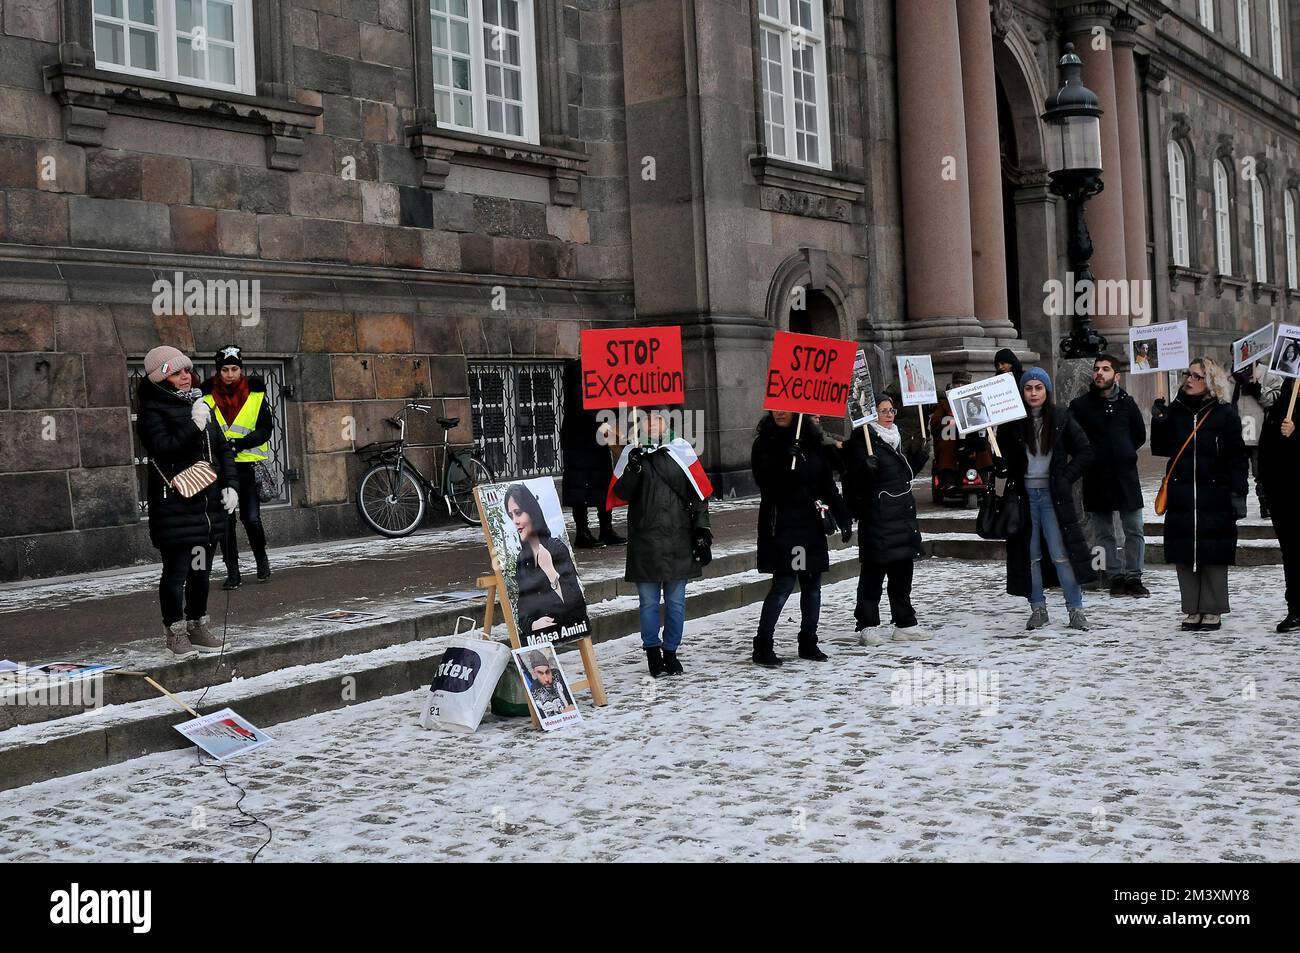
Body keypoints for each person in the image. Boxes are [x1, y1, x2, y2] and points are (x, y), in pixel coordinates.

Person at [136, 345, 240, 658]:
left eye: (187, 371)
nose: (186, 377)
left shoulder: (199, 402)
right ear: (162, 377)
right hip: (176, 505)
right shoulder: (152, 409)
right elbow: (164, 448)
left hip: (206, 505)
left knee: (201, 571)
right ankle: (175, 632)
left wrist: (231, 485)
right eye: (178, 373)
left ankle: (197, 627)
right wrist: (192, 425)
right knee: (177, 572)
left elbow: (222, 448)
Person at [610, 409, 712, 677]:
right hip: (646, 541)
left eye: (658, 419)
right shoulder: (633, 454)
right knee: (649, 603)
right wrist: (632, 467)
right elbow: (620, 494)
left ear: (667, 423)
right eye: (647, 420)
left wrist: (702, 531)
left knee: (677, 603)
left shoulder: (682, 450)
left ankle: (671, 651)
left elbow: (699, 494)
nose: (653, 424)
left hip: (679, 539)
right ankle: (653, 651)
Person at [1151, 358, 1248, 631]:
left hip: (1215, 494)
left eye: (1197, 376)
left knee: (1214, 552)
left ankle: (1213, 608)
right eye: (1188, 375)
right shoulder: (1177, 410)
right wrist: (1158, 419)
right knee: (1184, 552)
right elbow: (1162, 447)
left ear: (1211, 382)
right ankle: (1192, 608)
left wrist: (1238, 493)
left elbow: (1237, 457)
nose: (1189, 380)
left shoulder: (1225, 413)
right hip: (1182, 494)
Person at [996, 368, 1096, 631]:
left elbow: (1086, 451)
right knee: (1031, 556)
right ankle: (1037, 608)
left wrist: (1065, 477)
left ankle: (1075, 609)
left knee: (1061, 554)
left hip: (1054, 497)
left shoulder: (1061, 417)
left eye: (1038, 388)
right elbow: (1003, 458)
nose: (1033, 393)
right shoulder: (1013, 422)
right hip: (1025, 498)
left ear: (1046, 391)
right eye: (1028, 388)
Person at [750, 411, 852, 666]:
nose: (780, 412)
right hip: (783, 526)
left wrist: (843, 516)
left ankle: (808, 641)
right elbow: (767, 484)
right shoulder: (765, 442)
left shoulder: (812, 442)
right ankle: (763, 645)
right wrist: (786, 461)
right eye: (776, 408)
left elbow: (827, 484)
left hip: (810, 525)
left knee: (812, 586)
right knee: (784, 584)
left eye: (786, 408)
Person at [843, 393, 930, 645]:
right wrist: (863, 468)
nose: (889, 415)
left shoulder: (894, 440)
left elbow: (901, 475)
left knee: (902, 574)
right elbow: (851, 480)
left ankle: (905, 622)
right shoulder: (864, 441)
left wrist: (919, 457)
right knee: (873, 576)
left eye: (891, 410)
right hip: (878, 520)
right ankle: (868, 625)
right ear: (873, 415)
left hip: (901, 518)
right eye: (883, 410)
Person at [1068, 354, 1149, 597]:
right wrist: (1091, 456)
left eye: (1105, 369)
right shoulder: (1081, 406)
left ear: (1117, 375)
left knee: (1134, 528)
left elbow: (1138, 435)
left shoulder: (1127, 402)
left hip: (1125, 475)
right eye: (1096, 369)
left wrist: (1123, 453)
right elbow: (1072, 438)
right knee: (1104, 532)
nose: (1099, 373)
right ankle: (1116, 577)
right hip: (1097, 476)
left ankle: (1134, 577)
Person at [201, 345, 274, 589]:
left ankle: (261, 561)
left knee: (251, 519)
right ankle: (233, 572)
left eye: (234, 369)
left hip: (248, 466)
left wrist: (241, 443)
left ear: (241, 370)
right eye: (225, 369)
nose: (230, 374)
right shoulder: (207, 396)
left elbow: (266, 429)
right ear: (218, 371)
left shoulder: (256, 394)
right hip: (221, 471)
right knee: (226, 523)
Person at [506, 483, 588, 639]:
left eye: (518, 513)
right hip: (537, 639)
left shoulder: (556, 548)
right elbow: (523, 610)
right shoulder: (522, 560)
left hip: (565, 630)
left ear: (532, 512)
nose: (515, 521)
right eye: (511, 516)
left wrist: (550, 572)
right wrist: (533, 625)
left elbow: (576, 604)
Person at [560, 359, 624, 548]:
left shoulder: (604, 368)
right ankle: (583, 532)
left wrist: (612, 413)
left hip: (598, 437)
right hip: (579, 438)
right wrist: (602, 418)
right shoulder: (577, 370)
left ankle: (606, 528)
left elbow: (612, 399)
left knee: (603, 483)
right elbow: (579, 403)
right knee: (580, 486)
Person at [1259, 377, 1300, 632]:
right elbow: (1268, 442)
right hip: (1283, 491)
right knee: (1292, 552)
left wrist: (1297, 434)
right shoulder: (1284, 399)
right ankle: (1295, 608)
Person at [1231, 362, 1281, 518]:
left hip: (1259, 431)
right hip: (1235, 432)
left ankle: (1266, 505)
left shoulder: (1267, 373)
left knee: (1262, 471)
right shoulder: (1228, 374)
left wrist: (1257, 389)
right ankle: (1237, 509)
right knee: (1236, 472)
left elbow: (1276, 398)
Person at [525, 649, 575, 718]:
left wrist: (572, 705)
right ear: (535, 673)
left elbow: (570, 700)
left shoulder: (557, 675)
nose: (546, 679)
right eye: (540, 673)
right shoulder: (534, 690)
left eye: (547, 672)